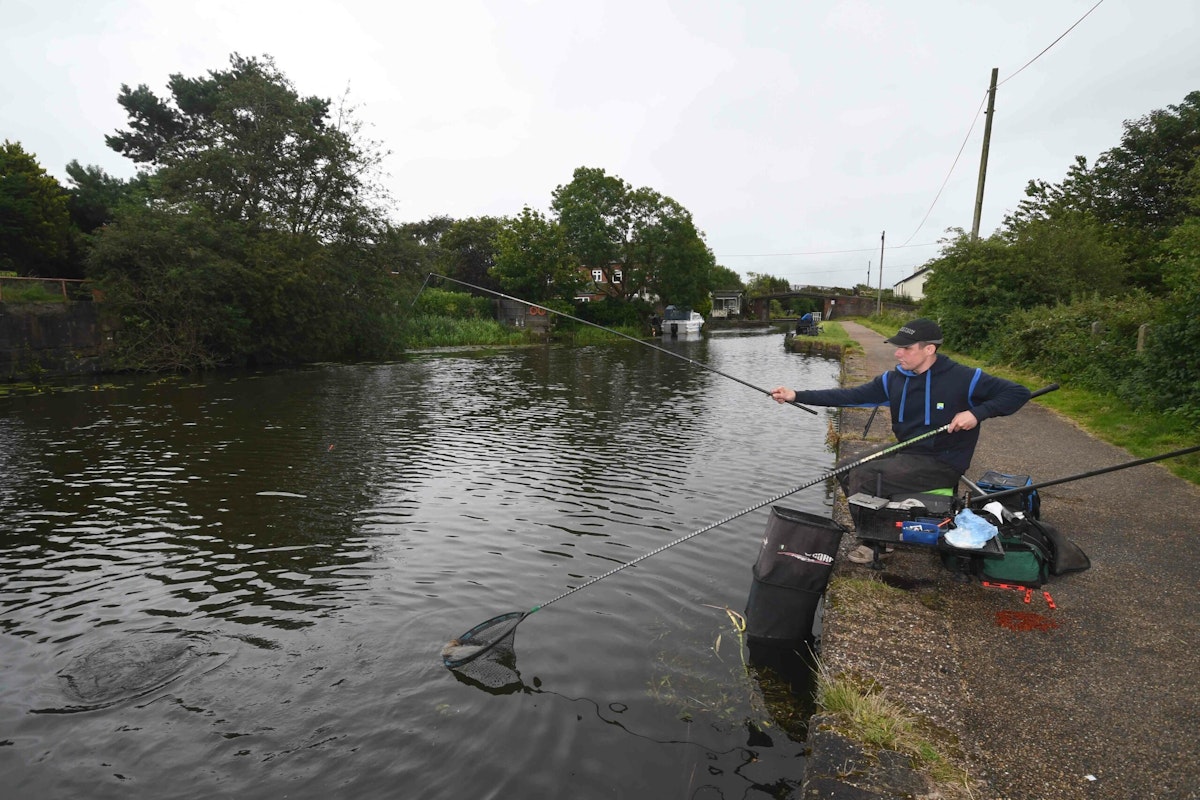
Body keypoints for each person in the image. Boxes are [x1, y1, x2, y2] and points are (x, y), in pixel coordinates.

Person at [769, 318, 1031, 563]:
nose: (897, 353)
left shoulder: (964, 378)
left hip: (943, 461)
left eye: (905, 348)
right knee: (846, 468)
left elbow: (1017, 392)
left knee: (866, 476)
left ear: (929, 349)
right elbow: (849, 396)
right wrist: (796, 395)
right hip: (908, 451)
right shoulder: (894, 380)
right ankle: (886, 525)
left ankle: (875, 545)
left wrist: (976, 413)